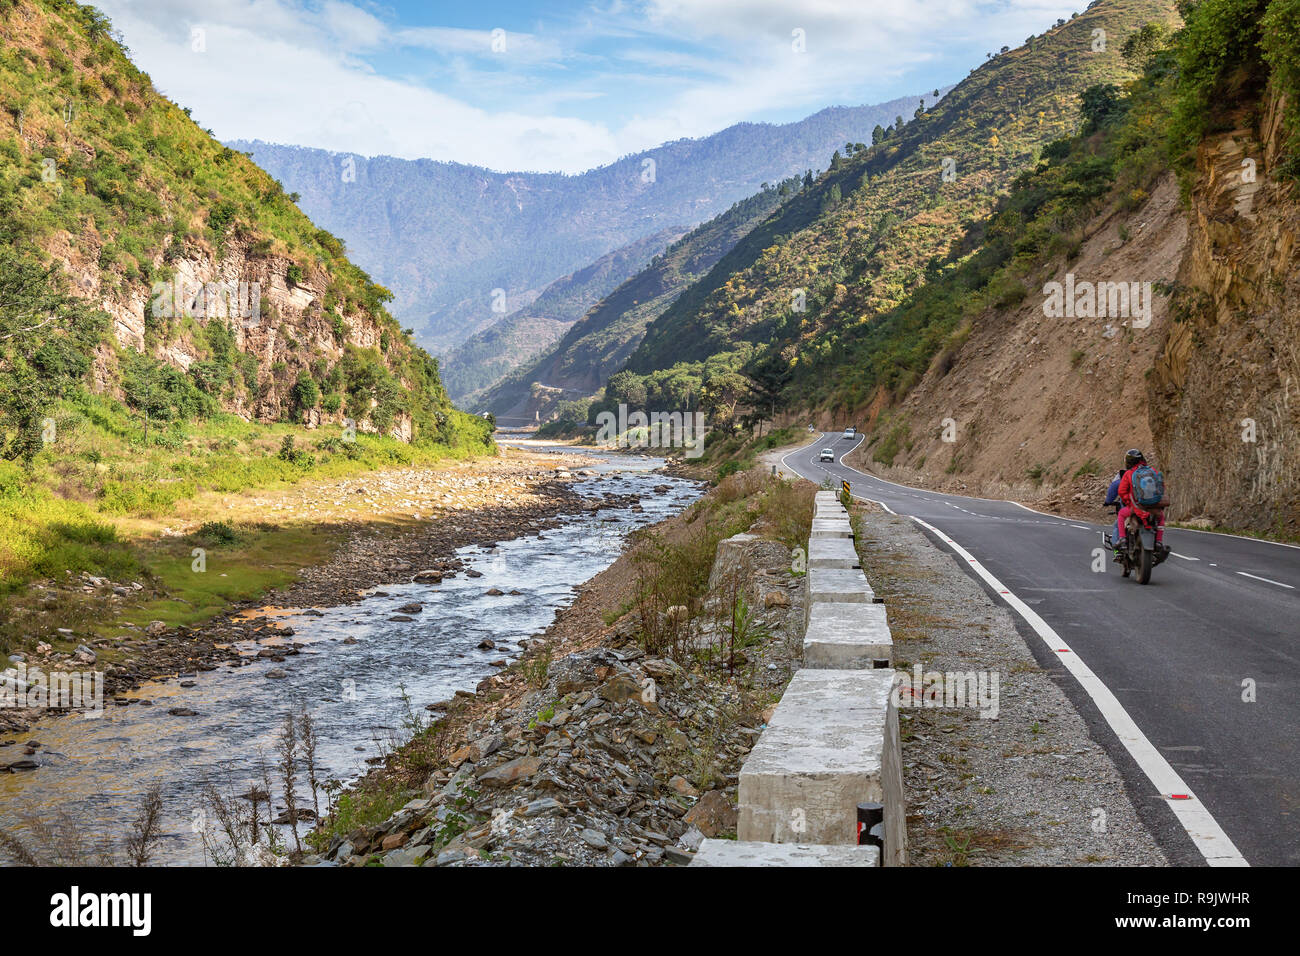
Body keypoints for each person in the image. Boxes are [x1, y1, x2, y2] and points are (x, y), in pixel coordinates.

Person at [1115, 448, 1166, 553]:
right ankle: (1159, 541)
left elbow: (1121, 491)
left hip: (1137, 507)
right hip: (1153, 507)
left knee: (1121, 515)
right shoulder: (1152, 471)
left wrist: (1129, 502)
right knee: (1161, 517)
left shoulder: (1129, 473)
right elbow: (1161, 487)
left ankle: (1122, 539)